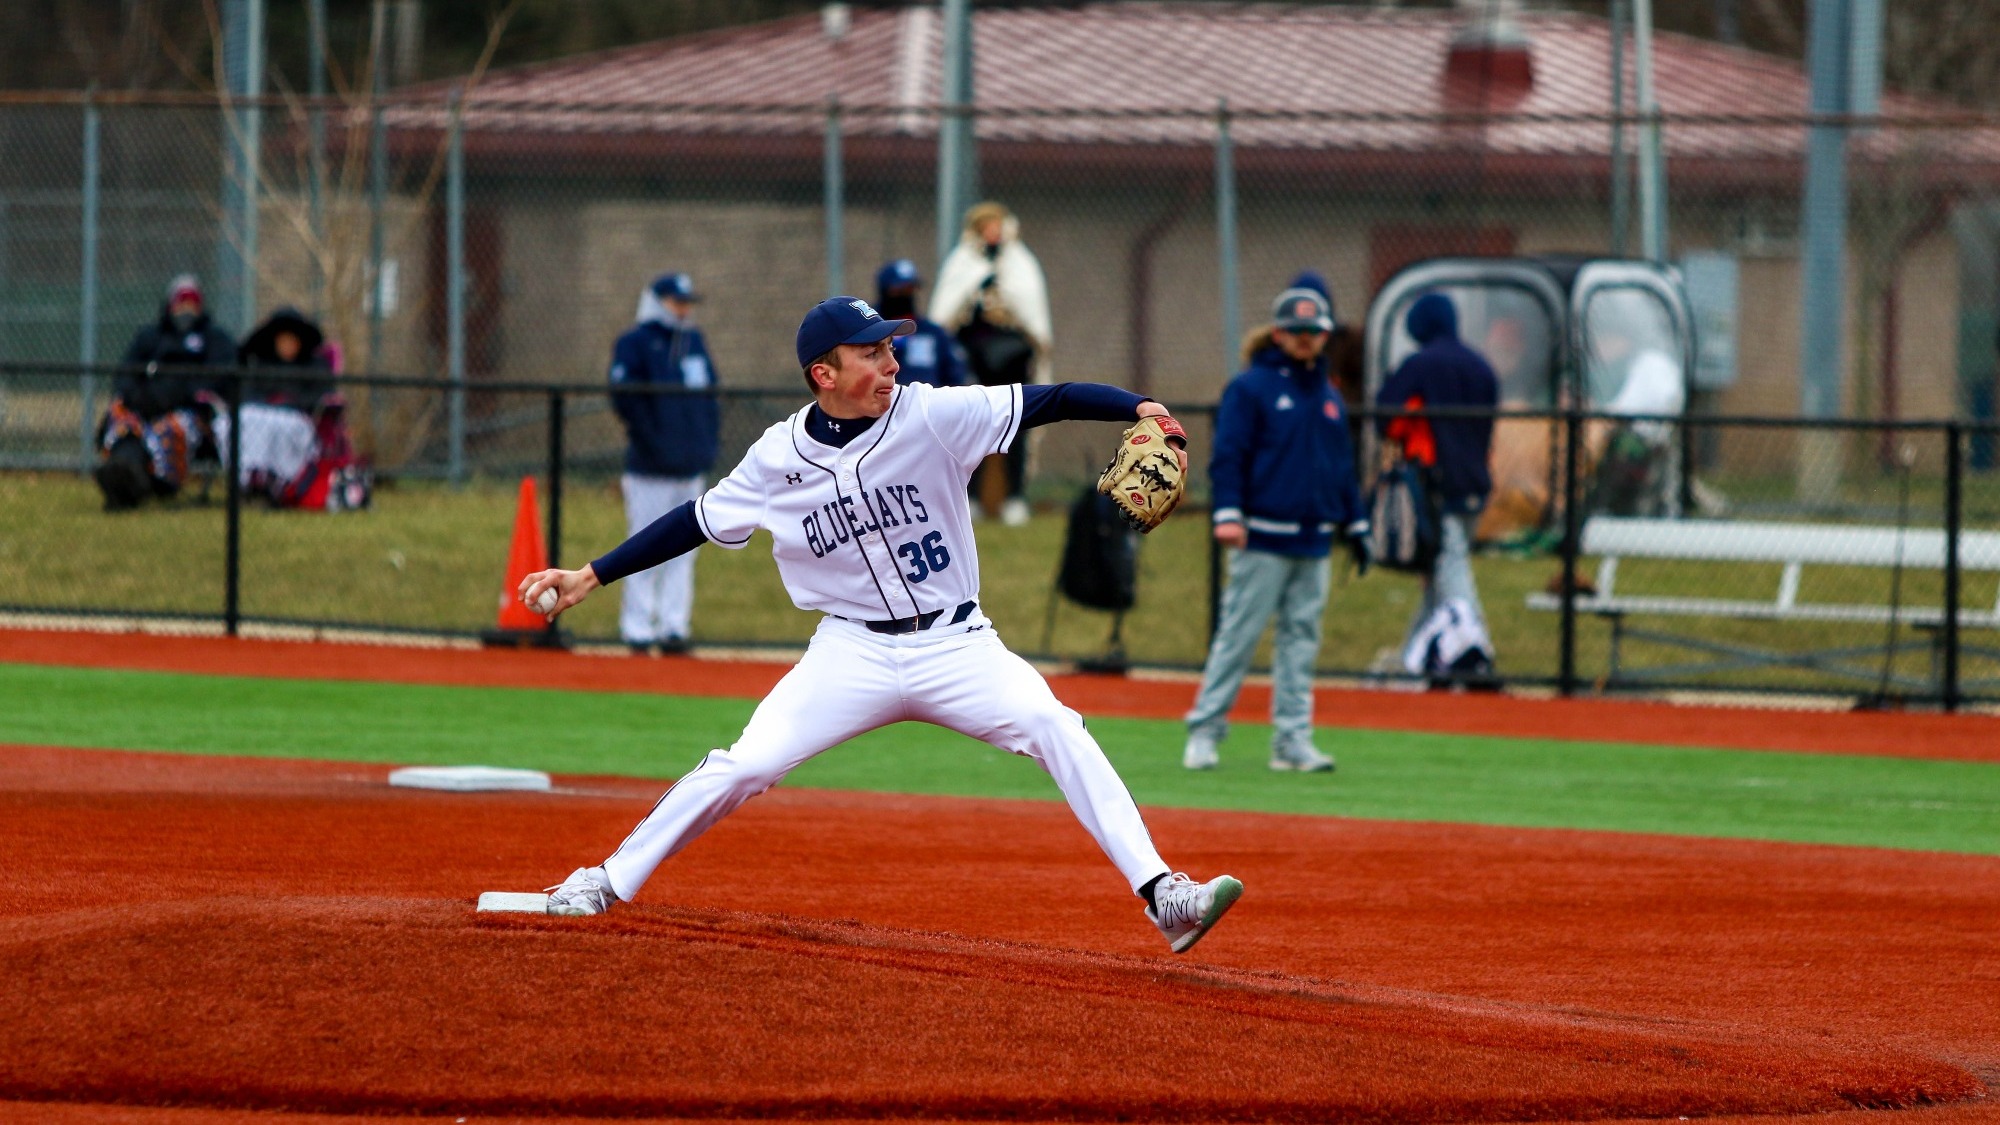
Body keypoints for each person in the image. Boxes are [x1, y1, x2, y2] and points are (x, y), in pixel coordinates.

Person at [517, 295, 1243, 954]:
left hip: (958, 645)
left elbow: (1046, 398)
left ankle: (1164, 895)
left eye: (891, 349)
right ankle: (605, 879)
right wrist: (589, 575)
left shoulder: (931, 414)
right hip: (851, 651)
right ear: (823, 374)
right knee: (749, 763)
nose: (892, 363)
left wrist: (1139, 404)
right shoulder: (776, 458)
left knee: (1057, 727)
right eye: (872, 352)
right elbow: (694, 521)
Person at [1183, 287, 1369, 774]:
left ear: (1325, 335)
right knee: (1239, 636)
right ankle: (1205, 730)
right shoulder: (1251, 387)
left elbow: (1340, 466)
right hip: (1263, 534)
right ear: (1280, 333)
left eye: (1315, 331)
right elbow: (1230, 456)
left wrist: (1356, 520)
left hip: (1314, 536)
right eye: (1298, 330)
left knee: (1301, 641)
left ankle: (1292, 741)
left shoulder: (1329, 394)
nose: (1307, 339)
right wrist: (1228, 512)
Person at [1375, 292, 1499, 678]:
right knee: (1438, 579)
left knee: (1452, 573)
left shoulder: (1420, 364)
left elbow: (1384, 416)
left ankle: (1475, 654)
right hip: (1476, 484)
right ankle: (1413, 659)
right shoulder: (1481, 366)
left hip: (1435, 487)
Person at [608, 271, 720, 656]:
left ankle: (674, 627)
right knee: (643, 544)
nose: (683, 309)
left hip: (690, 467)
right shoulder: (635, 343)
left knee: (686, 549)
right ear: (656, 301)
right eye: (676, 301)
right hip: (649, 470)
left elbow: (710, 396)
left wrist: (704, 445)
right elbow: (624, 399)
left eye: (687, 301)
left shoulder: (694, 341)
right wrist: (655, 442)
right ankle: (637, 628)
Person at [931, 201, 1053, 526]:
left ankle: (1015, 497)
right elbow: (946, 312)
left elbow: (1033, 313)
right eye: (986, 226)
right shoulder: (963, 262)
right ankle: (969, 498)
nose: (992, 232)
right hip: (972, 356)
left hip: (1013, 359)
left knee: (1015, 422)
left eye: (997, 226)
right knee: (971, 423)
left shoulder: (1020, 262)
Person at [95, 274, 240, 511]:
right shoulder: (150, 336)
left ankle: (151, 483)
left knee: (171, 428)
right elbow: (126, 375)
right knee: (123, 421)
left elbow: (220, 378)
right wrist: (139, 397)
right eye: (181, 301)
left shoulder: (214, 338)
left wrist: (177, 394)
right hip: (145, 405)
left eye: (192, 302)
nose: (186, 308)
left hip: (191, 412)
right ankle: (122, 473)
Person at [876, 258, 967, 388]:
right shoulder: (869, 331)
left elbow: (954, 375)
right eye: (899, 290)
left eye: (910, 289)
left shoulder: (933, 333)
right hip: (883, 403)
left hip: (928, 404)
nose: (906, 295)